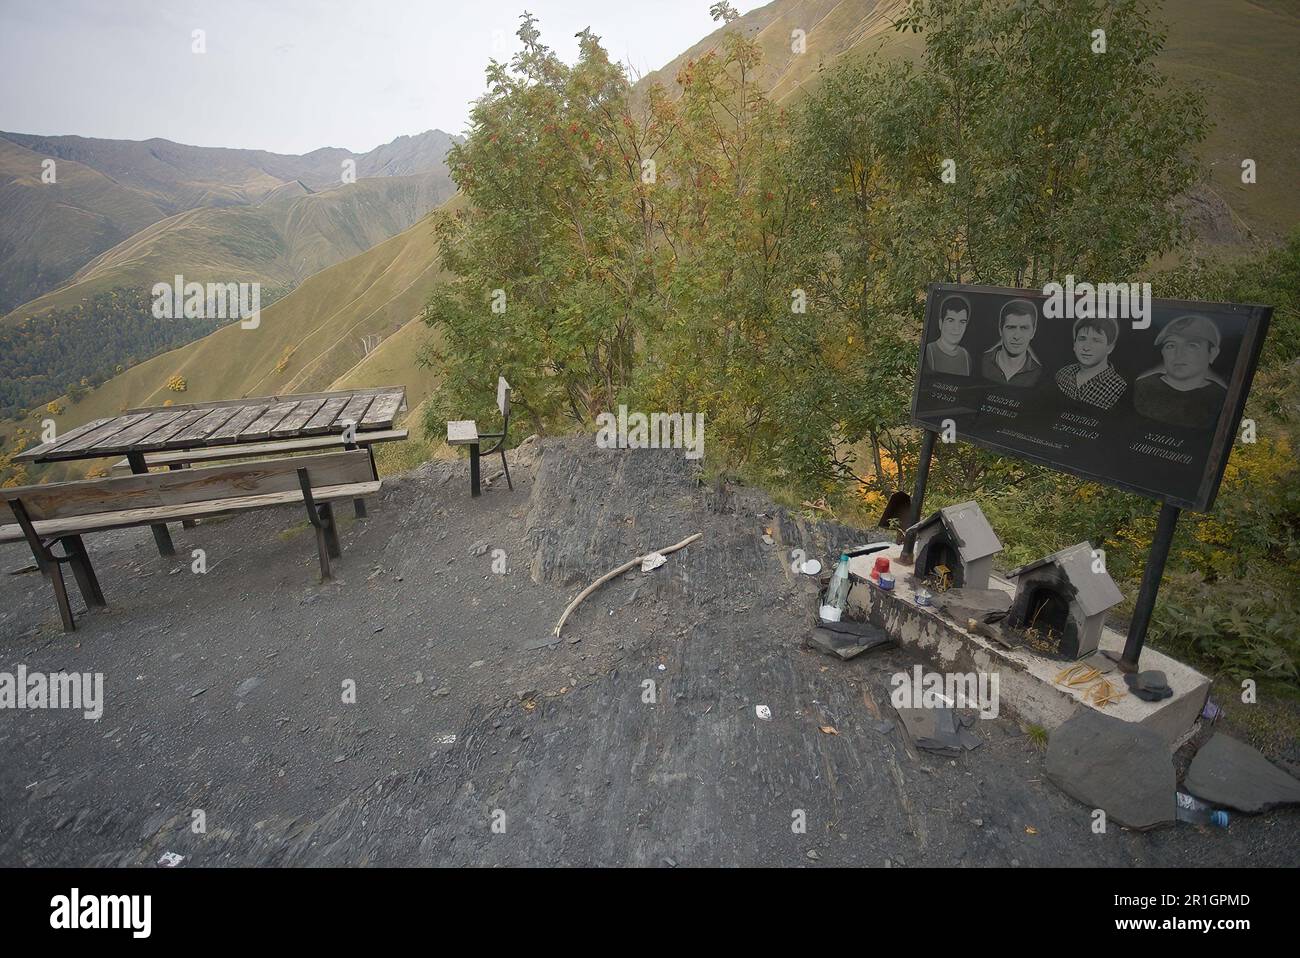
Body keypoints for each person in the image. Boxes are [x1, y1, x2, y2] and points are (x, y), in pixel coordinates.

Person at [1133, 314, 1227, 430]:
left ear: (1212, 353)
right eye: (1171, 345)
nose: (1179, 354)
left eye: (1192, 345)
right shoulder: (1143, 387)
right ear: (1163, 352)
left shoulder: (1220, 397)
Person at [1055, 316, 1128, 410]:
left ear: (1110, 347)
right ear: (1074, 344)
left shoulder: (1119, 388)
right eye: (1082, 338)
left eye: (1096, 340)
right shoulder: (1062, 374)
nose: (1086, 347)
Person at [980, 298, 1041, 387]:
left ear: (1033, 332)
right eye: (1011, 328)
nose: (1016, 336)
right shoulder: (981, 361)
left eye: (1024, 328)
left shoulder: (1039, 374)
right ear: (1000, 330)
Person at [925, 294, 972, 375]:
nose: (956, 328)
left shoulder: (966, 356)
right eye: (951, 320)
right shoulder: (929, 352)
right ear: (940, 323)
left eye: (962, 322)